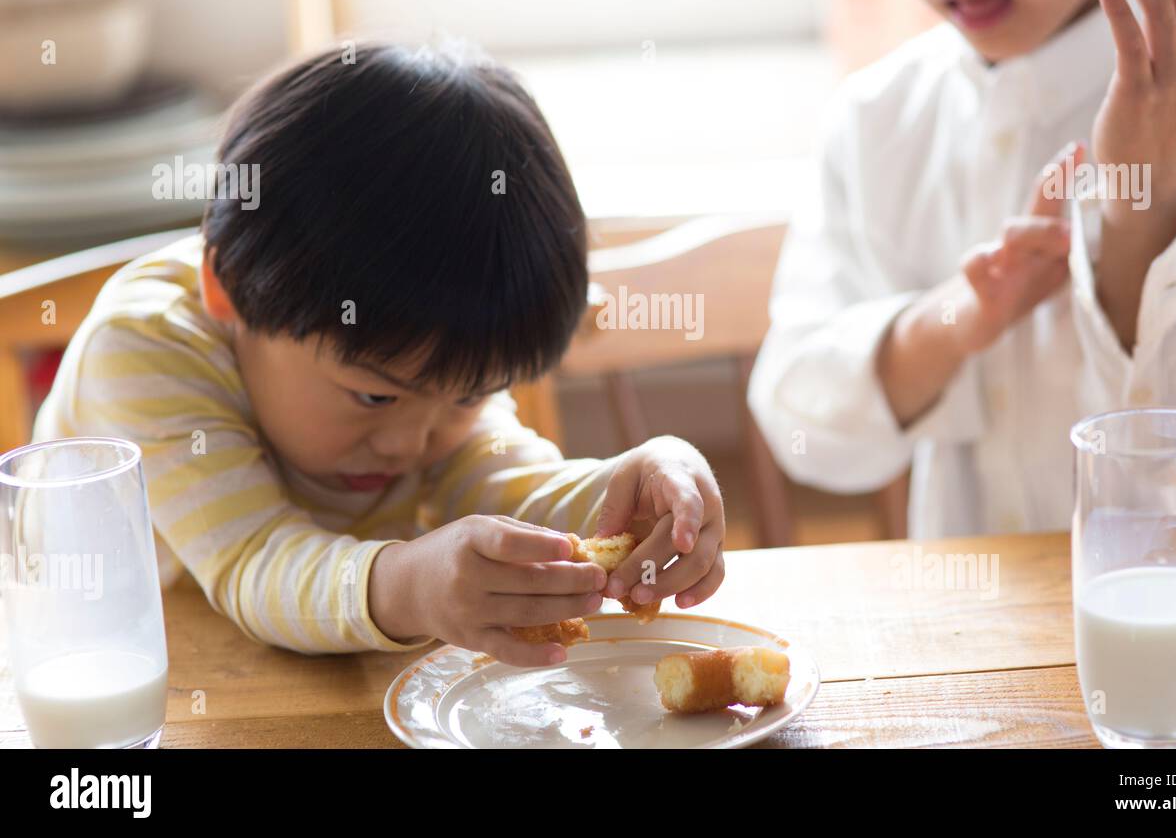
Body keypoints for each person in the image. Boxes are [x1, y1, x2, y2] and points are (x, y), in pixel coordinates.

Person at [33, 41, 726, 664]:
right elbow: (254, 562)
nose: (408, 442)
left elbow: (500, 485)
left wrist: (626, 494)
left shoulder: (423, 370)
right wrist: (407, 587)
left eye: (466, 396)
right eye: (374, 396)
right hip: (122, 687)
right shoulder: (142, 349)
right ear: (227, 291)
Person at [749, 0, 1176, 537]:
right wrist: (957, 319)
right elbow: (801, 422)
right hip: (974, 626)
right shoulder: (873, 120)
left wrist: (1141, 205)